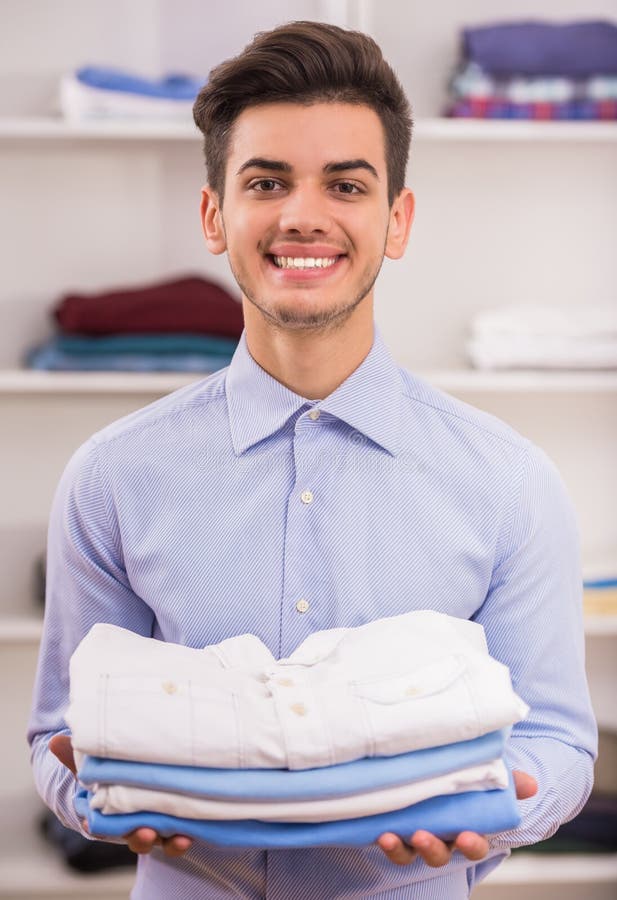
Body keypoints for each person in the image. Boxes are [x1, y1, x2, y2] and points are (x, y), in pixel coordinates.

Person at [28, 20, 597, 900]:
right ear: (215, 215)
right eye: (266, 182)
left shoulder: (507, 485)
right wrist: (98, 795)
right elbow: (58, 735)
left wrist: (489, 811)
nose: (303, 215)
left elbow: (558, 737)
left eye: (345, 184)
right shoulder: (112, 478)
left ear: (395, 220)